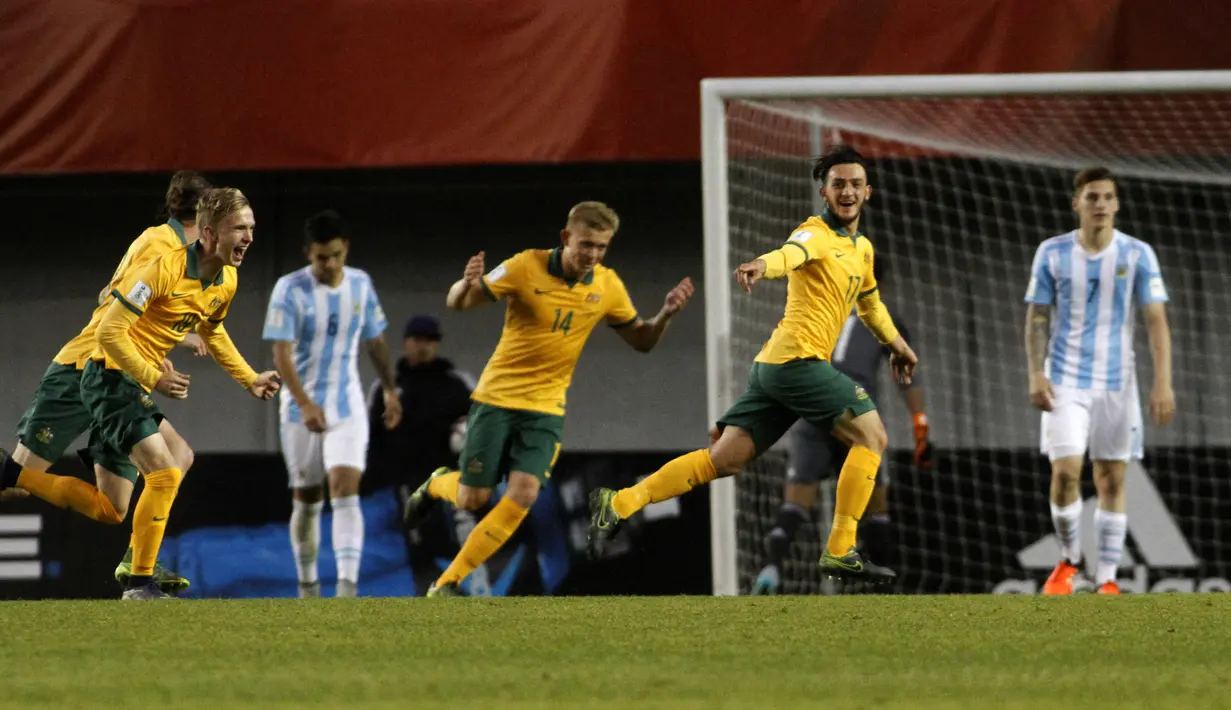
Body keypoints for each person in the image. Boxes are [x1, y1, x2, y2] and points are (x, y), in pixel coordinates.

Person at [588, 145, 916, 584]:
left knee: (724, 460)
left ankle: (619, 503)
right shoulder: (815, 233)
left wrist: (897, 345)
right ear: (825, 191)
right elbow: (789, 254)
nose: (848, 191)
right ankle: (840, 548)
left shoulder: (862, 250)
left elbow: (871, 306)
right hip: (798, 362)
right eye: (838, 184)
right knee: (872, 436)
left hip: (773, 366)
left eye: (855, 183)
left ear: (868, 192)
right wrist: (763, 265)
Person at [401, 201, 694, 596]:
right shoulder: (525, 266)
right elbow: (460, 302)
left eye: (602, 247)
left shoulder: (607, 286)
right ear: (565, 238)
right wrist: (466, 283)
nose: (592, 255)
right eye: (586, 244)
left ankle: (449, 582)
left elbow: (641, 340)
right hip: (497, 400)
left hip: (546, 410)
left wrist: (666, 316)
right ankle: (437, 485)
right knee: (472, 500)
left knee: (523, 495)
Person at [0, 170, 213, 593]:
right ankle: (139, 571)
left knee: (129, 496)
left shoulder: (181, 252)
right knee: (15, 486)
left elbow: (135, 305)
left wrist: (171, 342)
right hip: (83, 370)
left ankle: (138, 561)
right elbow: (110, 299)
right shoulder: (159, 243)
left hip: (122, 377)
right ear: (205, 220)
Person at [1025, 167, 1174, 596]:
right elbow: (1036, 315)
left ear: (1117, 204)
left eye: (1108, 197)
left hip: (1116, 384)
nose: (1101, 204)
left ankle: (1106, 578)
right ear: (1077, 204)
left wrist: (1162, 382)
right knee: (1066, 472)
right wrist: (1036, 371)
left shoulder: (1137, 254)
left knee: (1111, 480)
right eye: (1092, 197)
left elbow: (1156, 321)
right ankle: (1069, 560)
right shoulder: (1052, 253)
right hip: (1065, 379)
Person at [752, 257, 933, 595]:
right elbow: (906, 377)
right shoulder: (883, 318)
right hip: (856, 412)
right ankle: (887, 590)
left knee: (796, 501)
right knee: (877, 506)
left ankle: (772, 569)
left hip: (812, 409)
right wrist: (920, 426)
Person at [262, 210, 401, 599]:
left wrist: (391, 390)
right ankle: (308, 584)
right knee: (307, 498)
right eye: (322, 257)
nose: (330, 264)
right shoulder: (289, 290)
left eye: (336, 255)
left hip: (347, 405)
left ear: (346, 250)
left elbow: (375, 340)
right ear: (309, 253)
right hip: (299, 409)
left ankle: (346, 589)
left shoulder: (361, 285)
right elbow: (282, 355)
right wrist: (305, 404)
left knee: (345, 486)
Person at [366, 315, 473, 496]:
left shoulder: (457, 383)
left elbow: (480, 422)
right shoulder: (387, 385)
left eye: (430, 340)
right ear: (406, 342)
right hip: (394, 481)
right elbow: (370, 434)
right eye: (417, 340)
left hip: (445, 479)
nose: (423, 346)